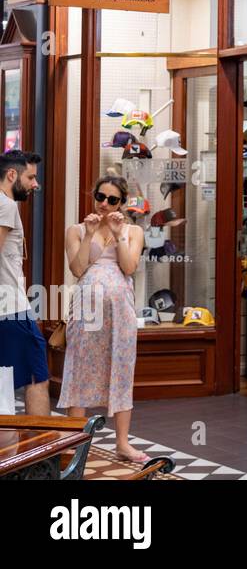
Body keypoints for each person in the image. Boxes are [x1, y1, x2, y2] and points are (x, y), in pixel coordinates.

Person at [59, 175, 145, 462]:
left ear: (123, 202)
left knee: (122, 369)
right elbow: (77, 268)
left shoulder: (133, 232)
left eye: (112, 199)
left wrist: (119, 234)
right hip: (87, 311)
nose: (105, 204)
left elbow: (129, 266)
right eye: (100, 197)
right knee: (80, 367)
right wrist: (88, 235)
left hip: (121, 312)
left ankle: (122, 443)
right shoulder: (76, 229)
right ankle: (74, 442)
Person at [0, 149, 47, 414]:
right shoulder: (6, 205)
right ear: (11, 174)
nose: (35, 184)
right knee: (36, 374)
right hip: (10, 308)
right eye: (30, 177)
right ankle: (44, 452)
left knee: (4, 378)